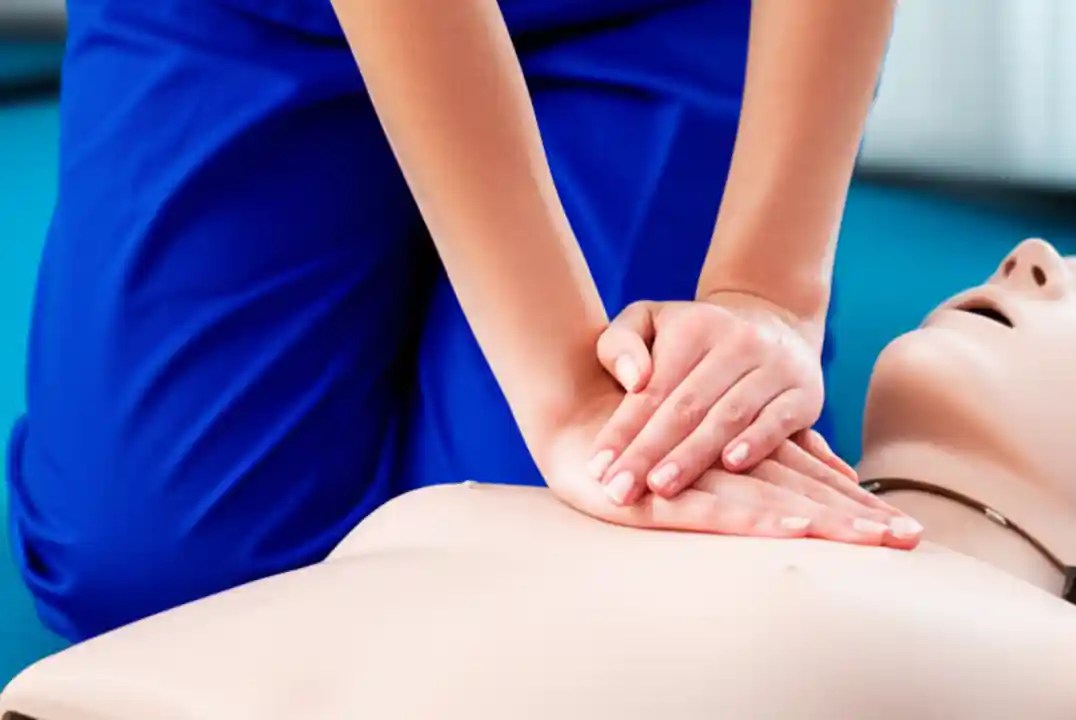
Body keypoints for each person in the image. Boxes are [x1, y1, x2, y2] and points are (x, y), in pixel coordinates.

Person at [4, 241, 1076, 719]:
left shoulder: (1073, 680)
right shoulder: (491, 507)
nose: (1034, 252)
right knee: (129, 538)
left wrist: (762, 290)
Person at [7, 0, 914, 642]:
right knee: (154, 579)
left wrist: (768, 292)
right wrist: (561, 386)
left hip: (659, 17)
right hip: (246, 16)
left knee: (577, 571)